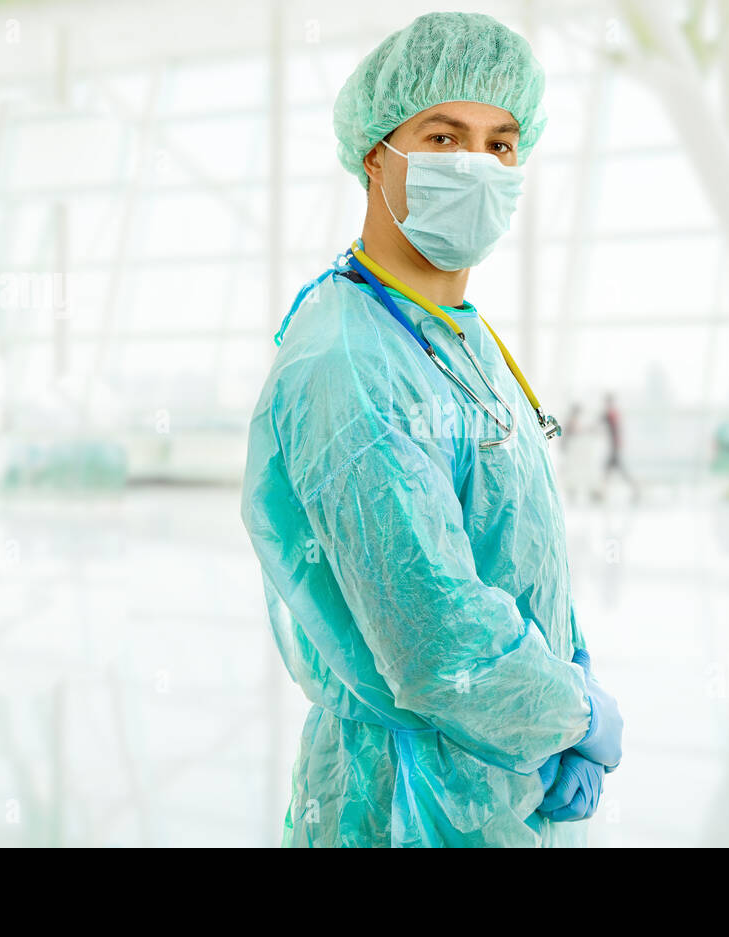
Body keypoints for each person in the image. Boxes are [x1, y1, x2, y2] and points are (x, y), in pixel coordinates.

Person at [240, 12, 622, 847]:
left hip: (505, 783)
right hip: (409, 805)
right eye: (445, 136)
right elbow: (431, 634)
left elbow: (516, 545)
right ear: (378, 154)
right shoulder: (348, 362)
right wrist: (575, 712)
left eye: (501, 143)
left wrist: (567, 674)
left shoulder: (455, 331)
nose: (478, 166)